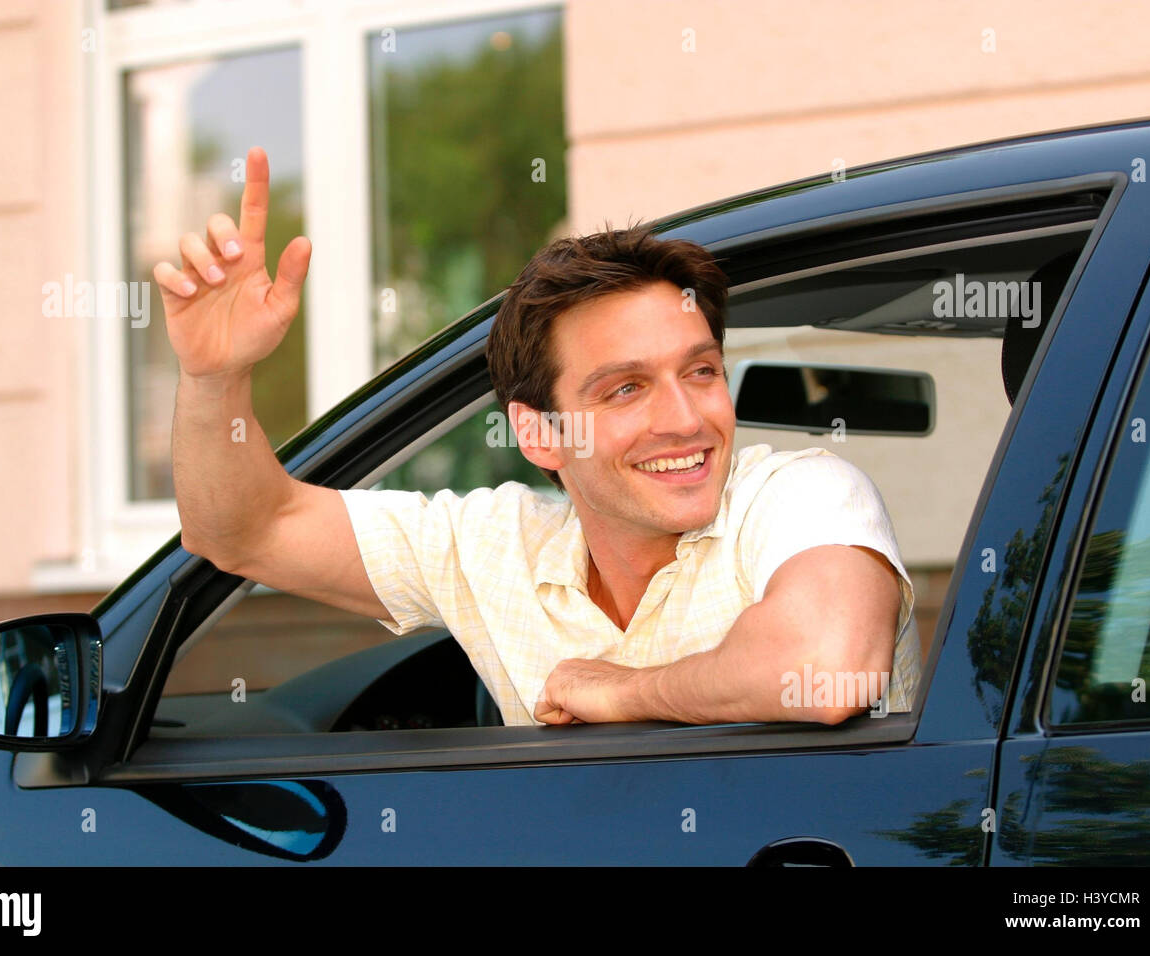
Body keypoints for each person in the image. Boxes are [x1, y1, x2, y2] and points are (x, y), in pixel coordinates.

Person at [155, 147, 921, 728]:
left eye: (700, 372)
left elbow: (828, 669)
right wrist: (214, 378)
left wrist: (624, 690)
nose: (686, 419)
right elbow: (245, 529)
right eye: (626, 388)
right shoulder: (494, 547)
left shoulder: (803, 496)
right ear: (539, 433)